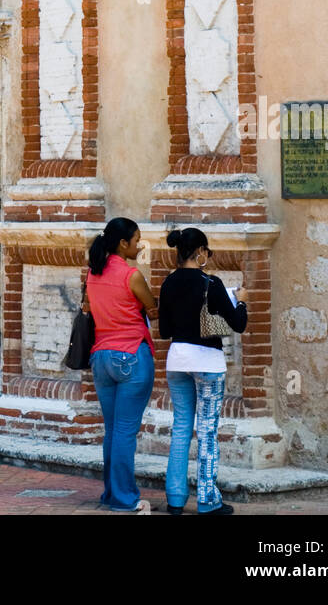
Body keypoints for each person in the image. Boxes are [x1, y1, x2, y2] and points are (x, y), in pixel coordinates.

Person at [157, 226, 248, 516]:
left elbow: (165, 330)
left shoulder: (168, 283)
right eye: (207, 251)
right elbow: (238, 323)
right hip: (207, 362)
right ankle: (208, 501)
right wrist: (242, 300)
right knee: (207, 431)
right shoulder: (212, 283)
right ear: (200, 253)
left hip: (177, 361)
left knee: (181, 428)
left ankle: (175, 499)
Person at [85, 217, 157, 512]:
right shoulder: (132, 275)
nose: (139, 246)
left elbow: (89, 306)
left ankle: (111, 494)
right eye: (136, 240)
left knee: (113, 430)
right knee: (126, 432)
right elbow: (151, 304)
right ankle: (126, 499)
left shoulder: (93, 273)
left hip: (100, 358)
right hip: (130, 355)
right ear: (122, 243)